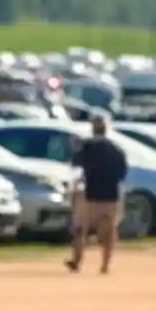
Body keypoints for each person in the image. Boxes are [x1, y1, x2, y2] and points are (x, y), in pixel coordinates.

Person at [66, 115, 128, 274]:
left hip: (90, 194)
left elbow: (75, 163)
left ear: (92, 129)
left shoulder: (87, 147)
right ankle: (105, 265)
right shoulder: (116, 150)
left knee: (80, 229)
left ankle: (77, 260)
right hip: (111, 195)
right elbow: (122, 173)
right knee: (109, 230)